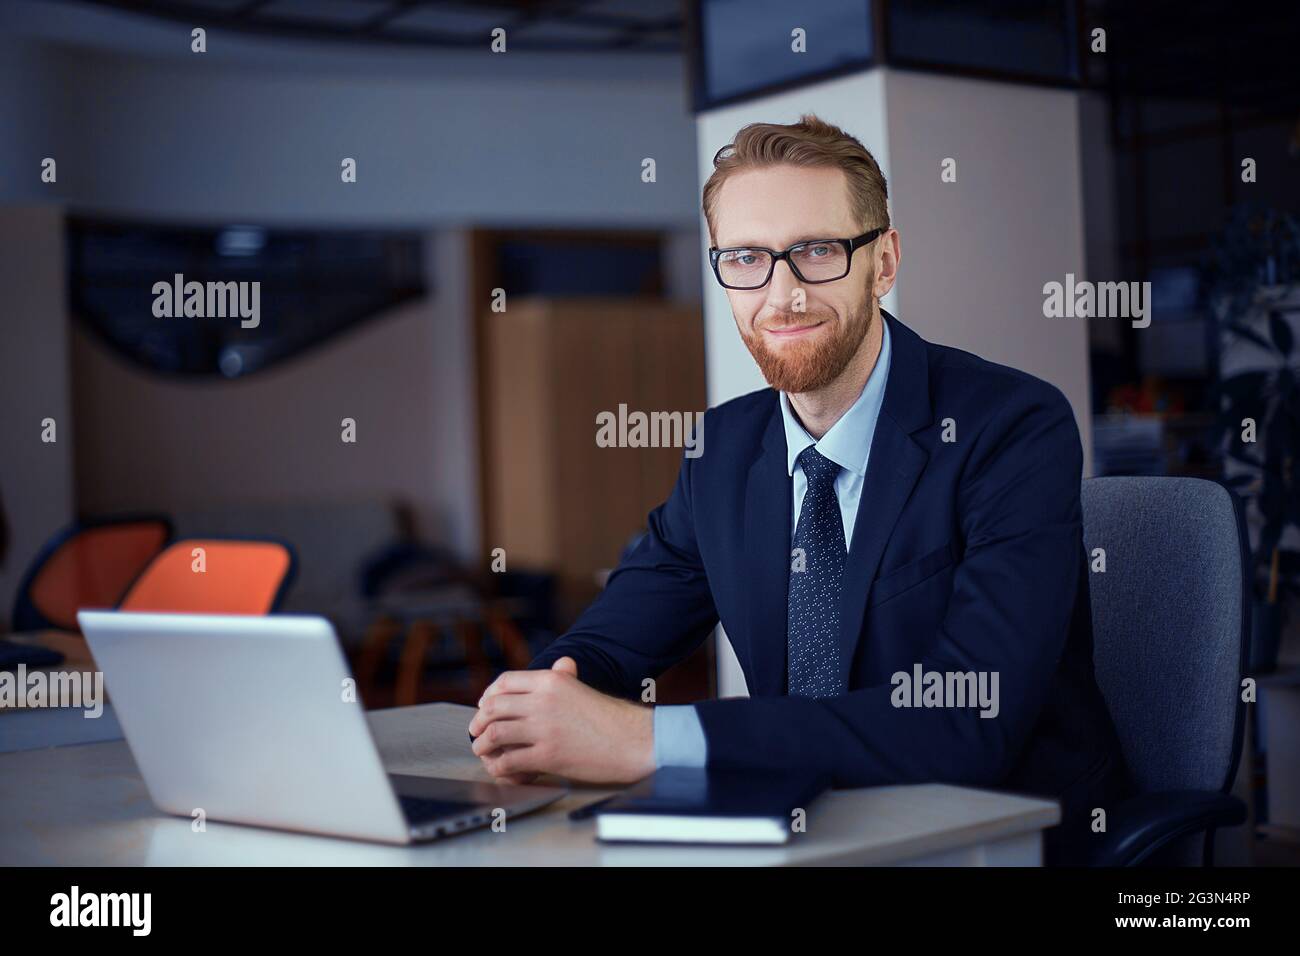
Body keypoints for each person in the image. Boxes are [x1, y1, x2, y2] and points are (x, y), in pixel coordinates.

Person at [467, 114, 1132, 865]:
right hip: (805, 826)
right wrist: (538, 706)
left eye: (816, 251)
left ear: (883, 262)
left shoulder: (1009, 427)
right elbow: (611, 641)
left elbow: (969, 718)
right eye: (746, 258)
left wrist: (646, 740)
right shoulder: (721, 452)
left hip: (1002, 831)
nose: (781, 295)